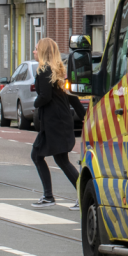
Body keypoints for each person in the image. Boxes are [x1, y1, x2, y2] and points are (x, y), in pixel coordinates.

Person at [30, 38, 86, 209]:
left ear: (43, 51)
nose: (33, 51)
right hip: (59, 122)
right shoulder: (57, 71)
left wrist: (35, 103)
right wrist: (84, 116)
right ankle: (55, 196)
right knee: (56, 158)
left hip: (53, 123)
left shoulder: (44, 70)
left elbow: (45, 97)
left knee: (43, 156)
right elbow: (72, 97)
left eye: (36, 48)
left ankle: (52, 196)